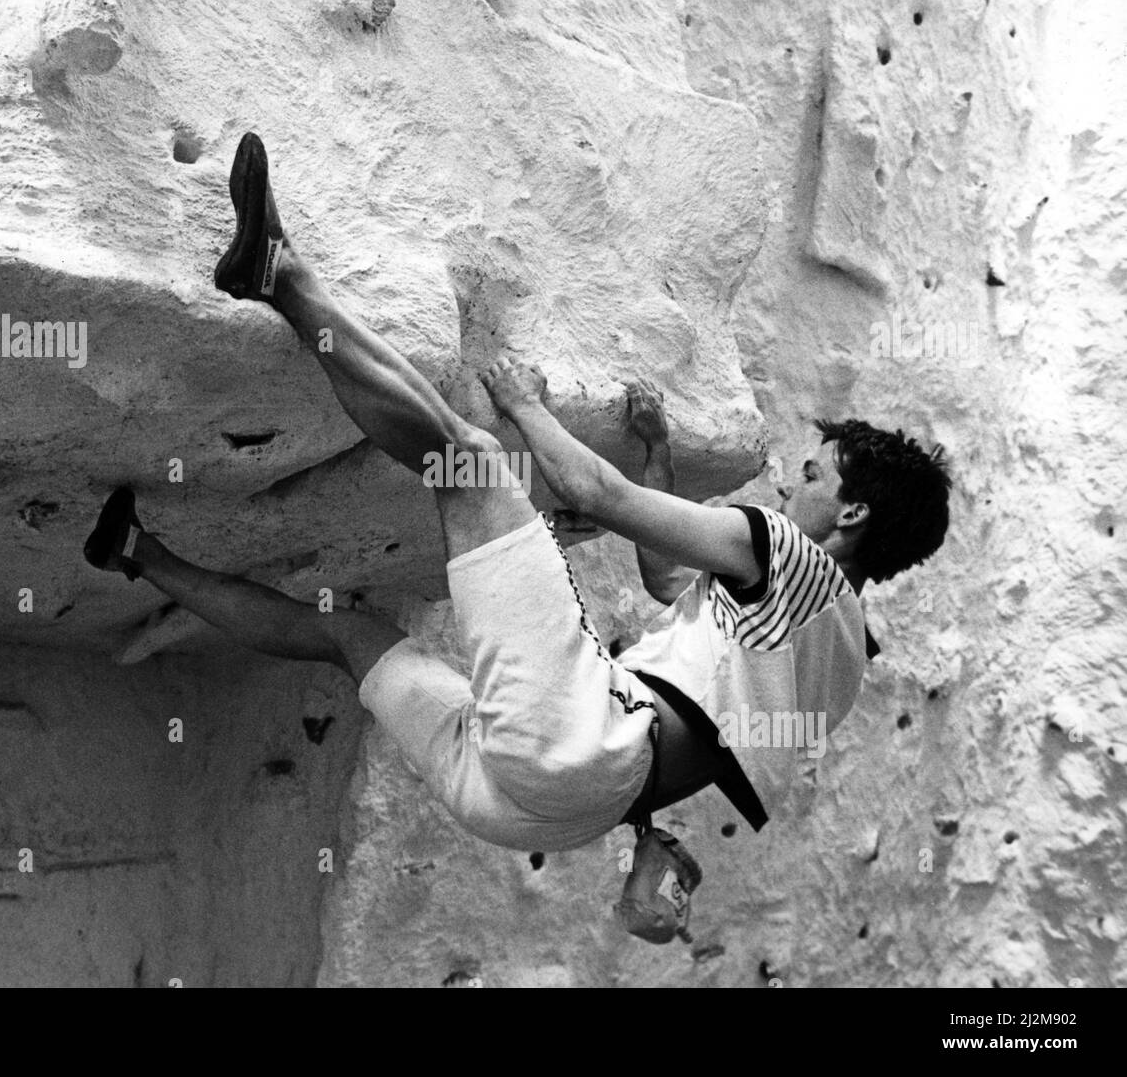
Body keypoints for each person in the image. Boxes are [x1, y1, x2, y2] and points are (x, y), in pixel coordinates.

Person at [84, 132, 952, 852]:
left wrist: (528, 407)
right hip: (546, 809)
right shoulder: (840, 663)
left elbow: (591, 489)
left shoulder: (790, 557)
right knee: (348, 637)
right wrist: (658, 457)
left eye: (814, 476)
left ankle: (273, 274)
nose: (794, 484)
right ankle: (136, 552)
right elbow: (671, 592)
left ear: (853, 512)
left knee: (463, 458)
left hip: (584, 742)